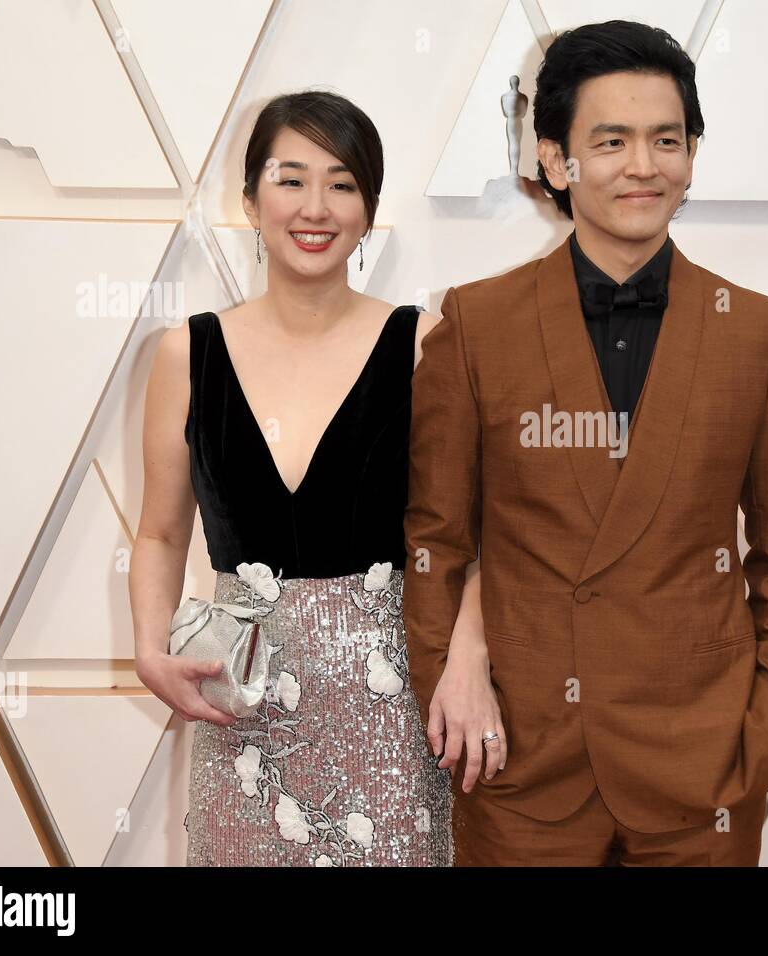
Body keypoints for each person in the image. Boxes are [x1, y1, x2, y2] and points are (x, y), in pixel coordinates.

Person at [404, 19, 768, 866]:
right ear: (557, 160)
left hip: (703, 774)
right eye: (612, 141)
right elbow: (435, 538)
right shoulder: (477, 324)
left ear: (692, 155)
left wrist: (766, 736)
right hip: (519, 769)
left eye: (665, 139)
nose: (643, 165)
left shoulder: (757, 332)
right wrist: (452, 686)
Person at [130, 90, 488, 866]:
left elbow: (479, 539)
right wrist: (149, 649)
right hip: (241, 710)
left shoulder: (427, 346)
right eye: (290, 179)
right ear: (251, 200)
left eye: (343, 182)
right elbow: (160, 532)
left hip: (391, 717)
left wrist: (468, 666)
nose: (314, 206)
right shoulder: (184, 355)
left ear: (368, 209)